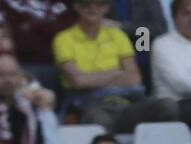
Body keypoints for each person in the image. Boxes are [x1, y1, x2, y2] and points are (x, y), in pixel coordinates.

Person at [52, 0, 179, 132]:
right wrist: (115, 73)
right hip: (90, 104)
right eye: (86, 4)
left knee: (166, 106)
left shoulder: (118, 34)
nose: (92, 8)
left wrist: (92, 78)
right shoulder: (63, 39)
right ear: (76, 6)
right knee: (99, 119)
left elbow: (134, 79)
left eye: (99, 4)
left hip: (129, 94)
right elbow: (78, 81)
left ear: (106, 7)